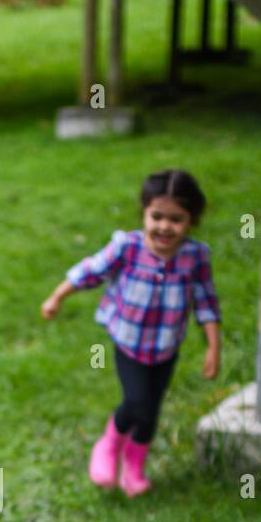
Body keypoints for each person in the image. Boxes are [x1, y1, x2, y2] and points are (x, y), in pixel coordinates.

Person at [41, 168, 221, 497]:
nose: (165, 227)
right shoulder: (127, 247)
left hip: (167, 347)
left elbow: (206, 301)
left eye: (176, 219)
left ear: (192, 221)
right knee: (136, 402)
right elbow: (89, 272)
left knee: (151, 411)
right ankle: (109, 445)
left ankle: (133, 468)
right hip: (129, 342)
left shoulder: (195, 257)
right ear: (144, 213)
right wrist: (57, 296)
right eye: (157, 216)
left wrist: (213, 347)